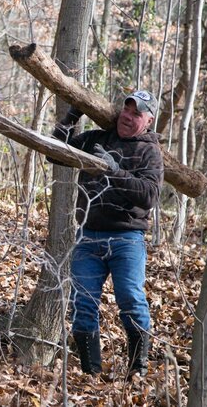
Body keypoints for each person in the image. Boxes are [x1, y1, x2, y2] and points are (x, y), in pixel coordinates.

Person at [50, 90, 164, 378]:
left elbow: (149, 195)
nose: (128, 117)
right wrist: (73, 114)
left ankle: (137, 368)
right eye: (126, 110)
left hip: (127, 239)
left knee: (130, 299)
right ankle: (92, 375)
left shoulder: (150, 151)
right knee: (82, 303)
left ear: (148, 121)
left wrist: (114, 170)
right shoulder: (96, 139)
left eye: (136, 113)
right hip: (88, 236)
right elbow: (55, 151)